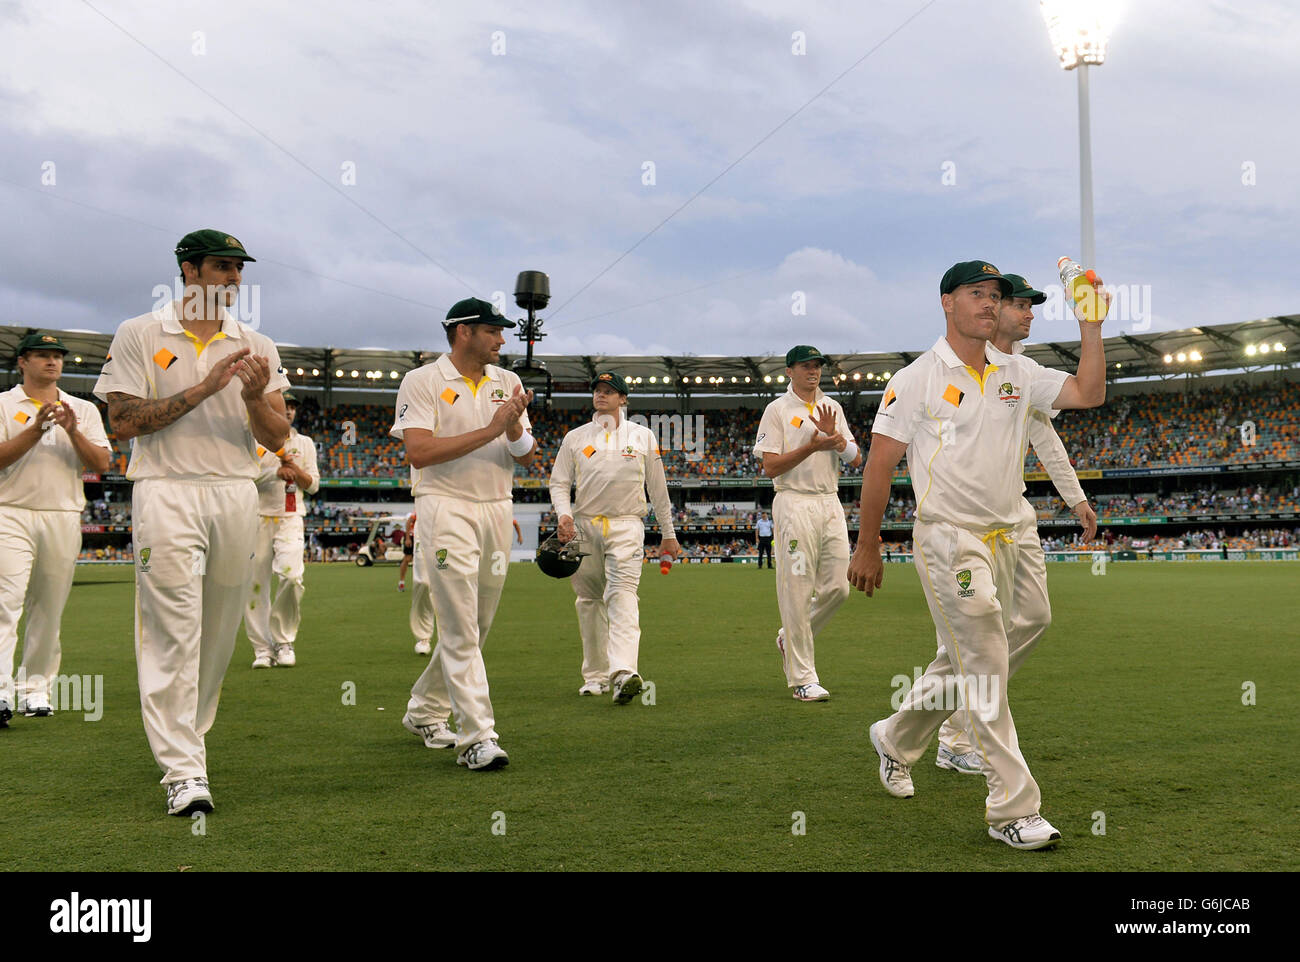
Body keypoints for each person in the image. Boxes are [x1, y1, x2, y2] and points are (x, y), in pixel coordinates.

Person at [848, 259, 1107, 850]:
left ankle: (896, 736)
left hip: (1013, 530)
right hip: (951, 538)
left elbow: (1089, 392)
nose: (989, 304)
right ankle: (1012, 809)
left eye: (995, 295)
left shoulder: (1017, 371)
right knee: (985, 658)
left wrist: (1090, 325)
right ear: (947, 302)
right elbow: (881, 464)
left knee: (1024, 627)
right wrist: (867, 544)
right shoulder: (915, 378)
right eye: (976, 294)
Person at [95, 229, 290, 815]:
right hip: (166, 490)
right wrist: (208, 386)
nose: (233, 278)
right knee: (172, 627)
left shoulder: (257, 343)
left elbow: (278, 437)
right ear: (188, 269)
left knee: (220, 630)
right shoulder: (140, 333)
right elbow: (123, 422)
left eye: (238, 269)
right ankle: (183, 769)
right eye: (222, 266)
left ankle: (190, 738)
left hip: (235, 492)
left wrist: (256, 397)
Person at [931, 273, 1097, 775]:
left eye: (1031, 306)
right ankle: (956, 734)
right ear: (995, 309)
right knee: (970, 641)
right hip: (956, 526)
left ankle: (933, 727)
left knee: (1029, 620)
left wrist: (1076, 499)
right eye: (1020, 304)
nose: (1028, 314)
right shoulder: (947, 371)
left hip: (1009, 520)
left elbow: (1046, 440)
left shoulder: (1023, 373)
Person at [391, 297, 536, 771]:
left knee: (476, 625)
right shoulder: (423, 381)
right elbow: (420, 451)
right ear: (464, 332)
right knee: (457, 622)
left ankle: (423, 710)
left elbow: (525, 454)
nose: (502, 339)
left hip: (496, 506)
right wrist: (493, 426)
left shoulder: (508, 382)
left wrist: (512, 428)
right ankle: (477, 735)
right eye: (494, 330)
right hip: (444, 505)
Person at [0, 333, 112, 724]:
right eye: (42, 355)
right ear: (23, 363)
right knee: (5, 602)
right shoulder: (3, 404)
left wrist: (72, 430)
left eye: (57, 356)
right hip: (8, 512)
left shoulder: (82, 409)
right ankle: (0, 692)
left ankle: (35, 691)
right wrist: (34, 429)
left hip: (63, 515)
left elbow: (102, 462)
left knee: (48, 608)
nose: (52, 362)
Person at [548, 371, 680, 702]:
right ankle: (594, 676)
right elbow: (559, 483)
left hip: (626, 525)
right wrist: (564, 515)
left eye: (610, 391)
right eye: (598, 390)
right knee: (589, 601)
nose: (601, 395)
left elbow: (658, 489)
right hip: (584, 526)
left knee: (622, 595)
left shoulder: (643, 437)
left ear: (623, 399)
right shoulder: (575, 437)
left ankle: (623, 672)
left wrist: (668, 533)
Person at [752, 345, 863, 702]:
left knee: (839, 589)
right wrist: (812, 447)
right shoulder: (778, 410)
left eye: (817, 366)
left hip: (829, 502)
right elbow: (770, 467)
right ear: (789, 371)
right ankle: (803, 678)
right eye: (805, 366)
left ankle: (789, 637)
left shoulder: (832, 407)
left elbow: (856, 458)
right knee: (797, 590)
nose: (813, 371)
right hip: (794, 501)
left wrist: (837, 441)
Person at [244, 391, 320, 668]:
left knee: (291, 577)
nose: (287, 411)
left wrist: (295, 472)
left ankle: (284, 641)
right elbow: (245, 480)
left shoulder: (305, 443)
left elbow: (313, 485)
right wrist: (274, 473)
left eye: (291, 407)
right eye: (282, 406)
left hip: (291, 517)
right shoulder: (253, 441)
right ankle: (262, 650)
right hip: (257, 517)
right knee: (254, 586)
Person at [397, 511, 415, 591]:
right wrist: (407, 538)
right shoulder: (417, 511)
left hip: (422, 537)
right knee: (407, 559)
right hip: (412, 537)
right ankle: (401, 582)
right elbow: (408, 522)